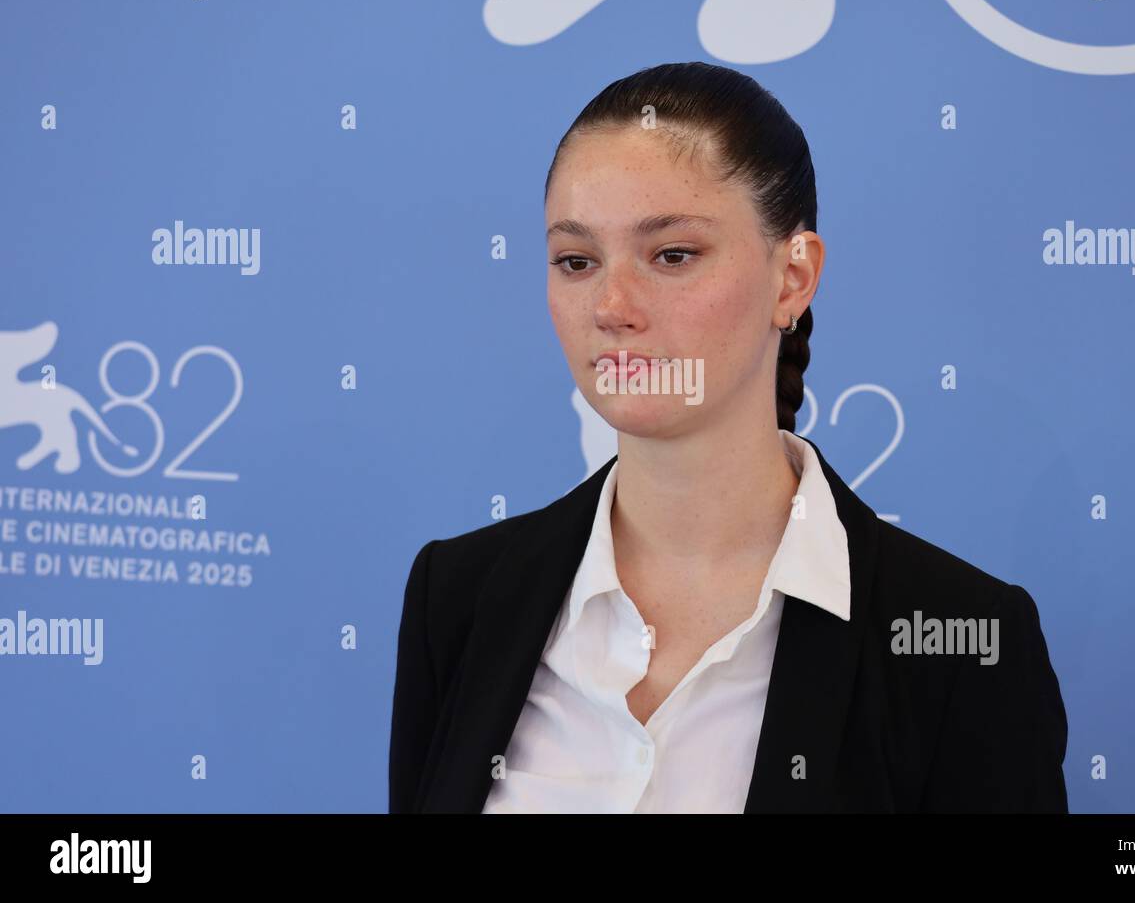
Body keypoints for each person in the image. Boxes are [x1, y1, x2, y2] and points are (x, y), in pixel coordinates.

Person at [389, 61, 1069, 813]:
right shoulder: (457, 599)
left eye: (672, 255)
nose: (612, 305)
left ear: (793, 277)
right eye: (576, 261)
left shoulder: (960, 638)